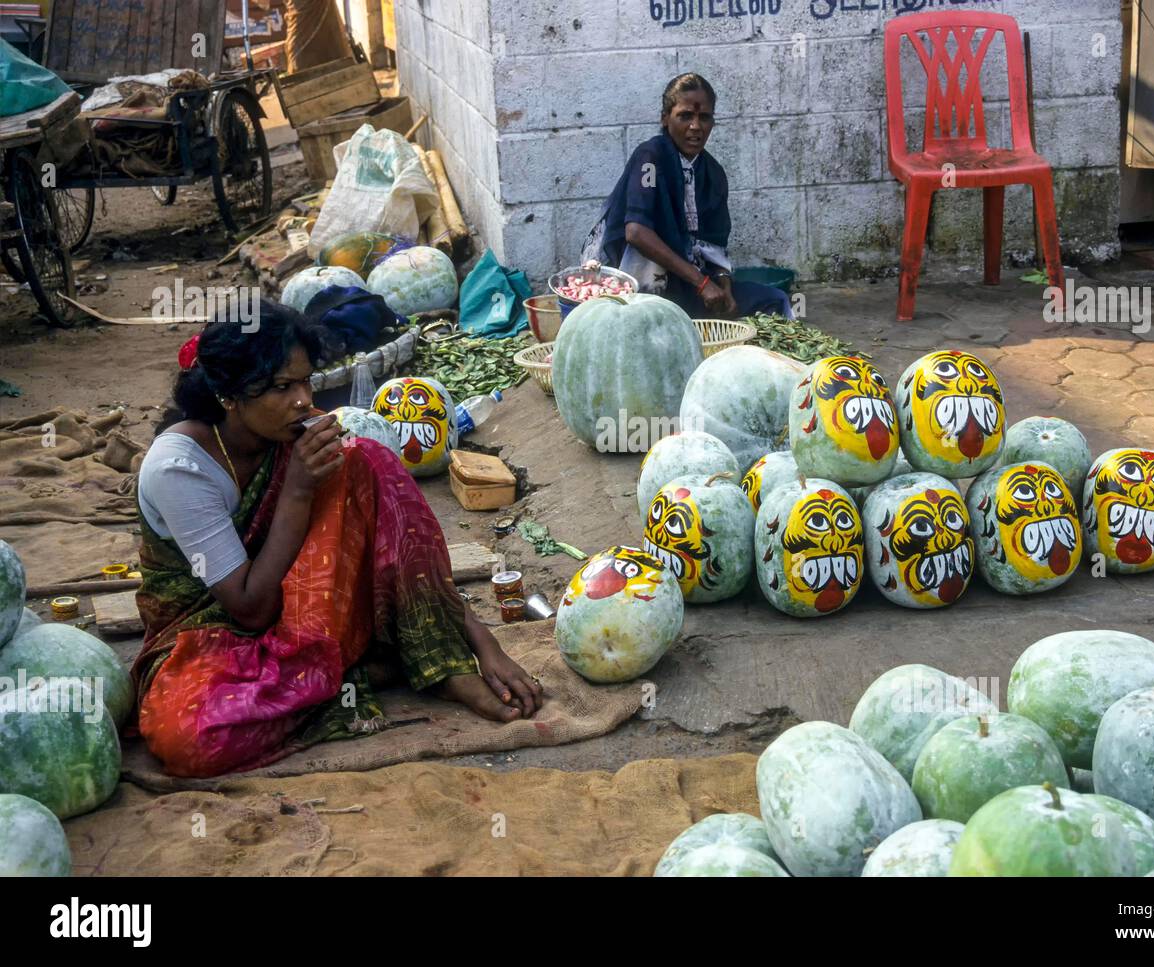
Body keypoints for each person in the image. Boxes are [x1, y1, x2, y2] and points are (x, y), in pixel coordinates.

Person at [132, 304, 541, 778]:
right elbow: (248, 609)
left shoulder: (294, 434)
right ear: (230, 395)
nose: (304, 400)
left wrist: (479, 642)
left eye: (307, 382)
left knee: (366, 460)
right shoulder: (179, 468)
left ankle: (432, 662)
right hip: (211, 633)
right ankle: (361, 671)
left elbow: (399, 533)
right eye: (283, 387)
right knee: (189, 738)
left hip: (302, 616)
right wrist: (299, 489)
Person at [582, 73, 793, 320]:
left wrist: (724, 290)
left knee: (775, 300)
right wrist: (702, 284)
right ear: (665, 119)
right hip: (637, 285)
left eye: (704, 117)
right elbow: (636, 233)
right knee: (657, 322)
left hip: (688, 283)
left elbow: (715, 247)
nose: (695, 126)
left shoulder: (713, 174)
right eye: (685, 116)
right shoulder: (651, 158)